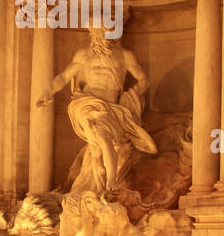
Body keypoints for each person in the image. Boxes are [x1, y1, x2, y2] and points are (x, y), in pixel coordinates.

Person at [37, 21, 156, 193]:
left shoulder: (124, 56)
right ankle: (111, 180)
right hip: (85, 103)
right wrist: (47, 92)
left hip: (109, 107)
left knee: (98, 147)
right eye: (98, 30)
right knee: (100, 138)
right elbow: (63, 77)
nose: (102, 34)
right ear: (92, 33)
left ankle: (104, 181)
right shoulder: (83, 55)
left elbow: (144, 80)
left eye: (105, 30)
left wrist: (130, 96)